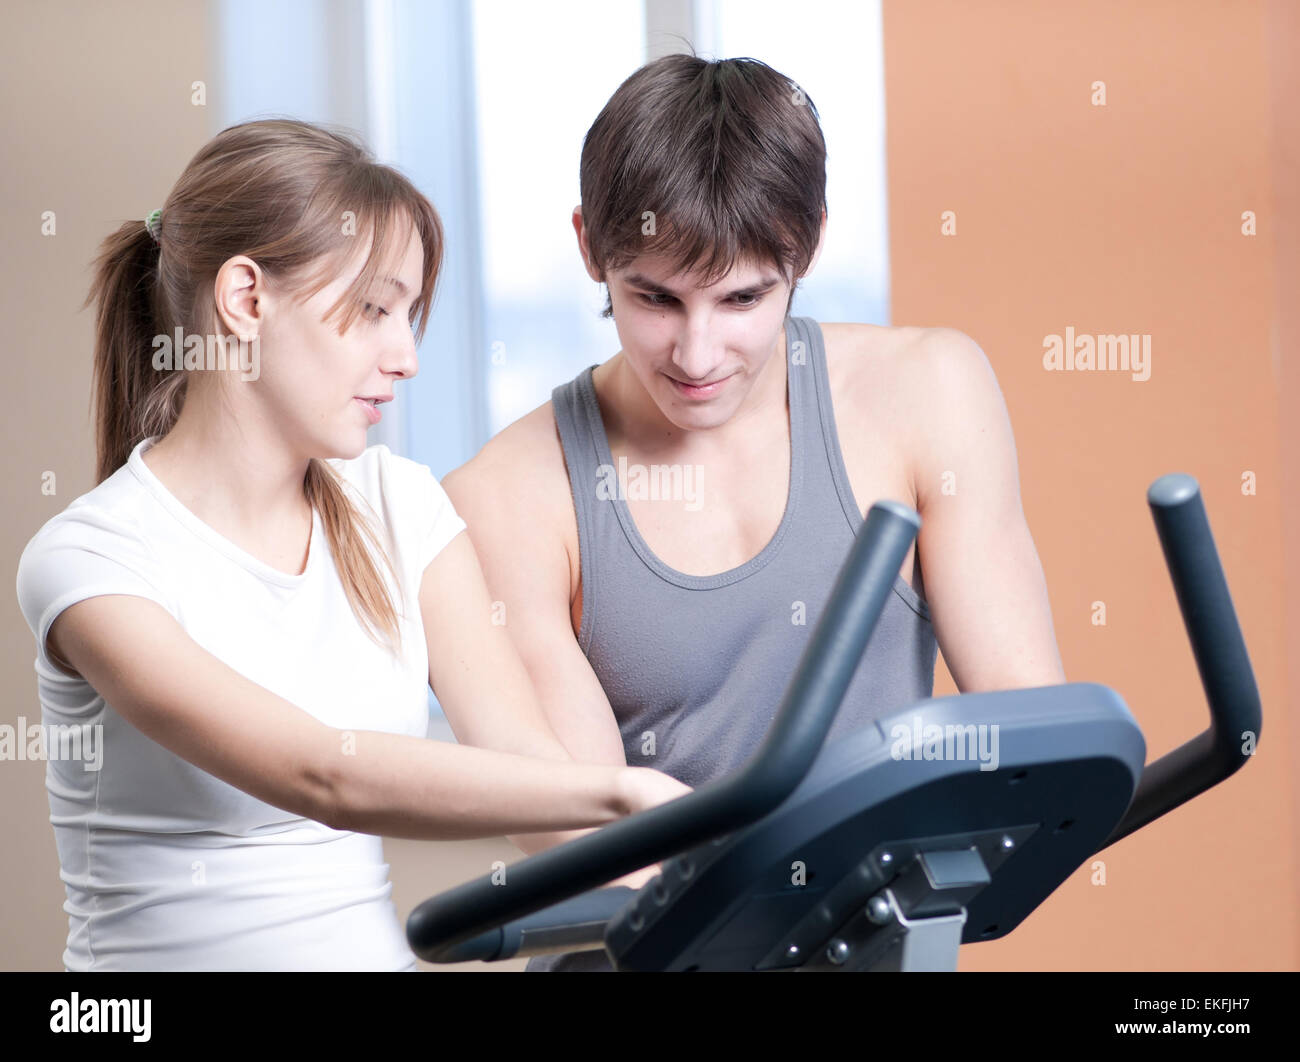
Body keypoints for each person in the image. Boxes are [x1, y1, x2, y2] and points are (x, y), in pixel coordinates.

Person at [14, 118, 691, 972]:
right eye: (374, 310)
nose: (406, 356)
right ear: (246, 299)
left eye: (409, 315)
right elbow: (322, 777)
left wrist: (693, 866)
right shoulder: (91, 559)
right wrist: (623, 788)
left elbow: (530, 776)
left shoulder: (400, 508)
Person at [442, 53, 1068, 971]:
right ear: (589, 247)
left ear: (807, 244)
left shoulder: (929, 391)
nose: (698, 353)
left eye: (742, 299)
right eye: (654, 298)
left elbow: (1024, 732)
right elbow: (600, 844)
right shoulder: (507, 497)